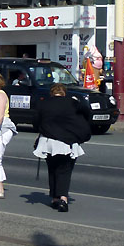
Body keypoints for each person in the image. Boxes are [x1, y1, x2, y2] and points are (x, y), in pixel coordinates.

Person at [33, 83, 91, 212]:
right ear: (65, 93)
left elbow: (36, 122)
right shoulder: (73, 103)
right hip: (68, 142)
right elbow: (85, 115)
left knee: (52, 170)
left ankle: (54, 198)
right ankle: (63, 199)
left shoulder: (44, 103)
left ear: (51, 93)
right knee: (64, 170)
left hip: (48, 142)